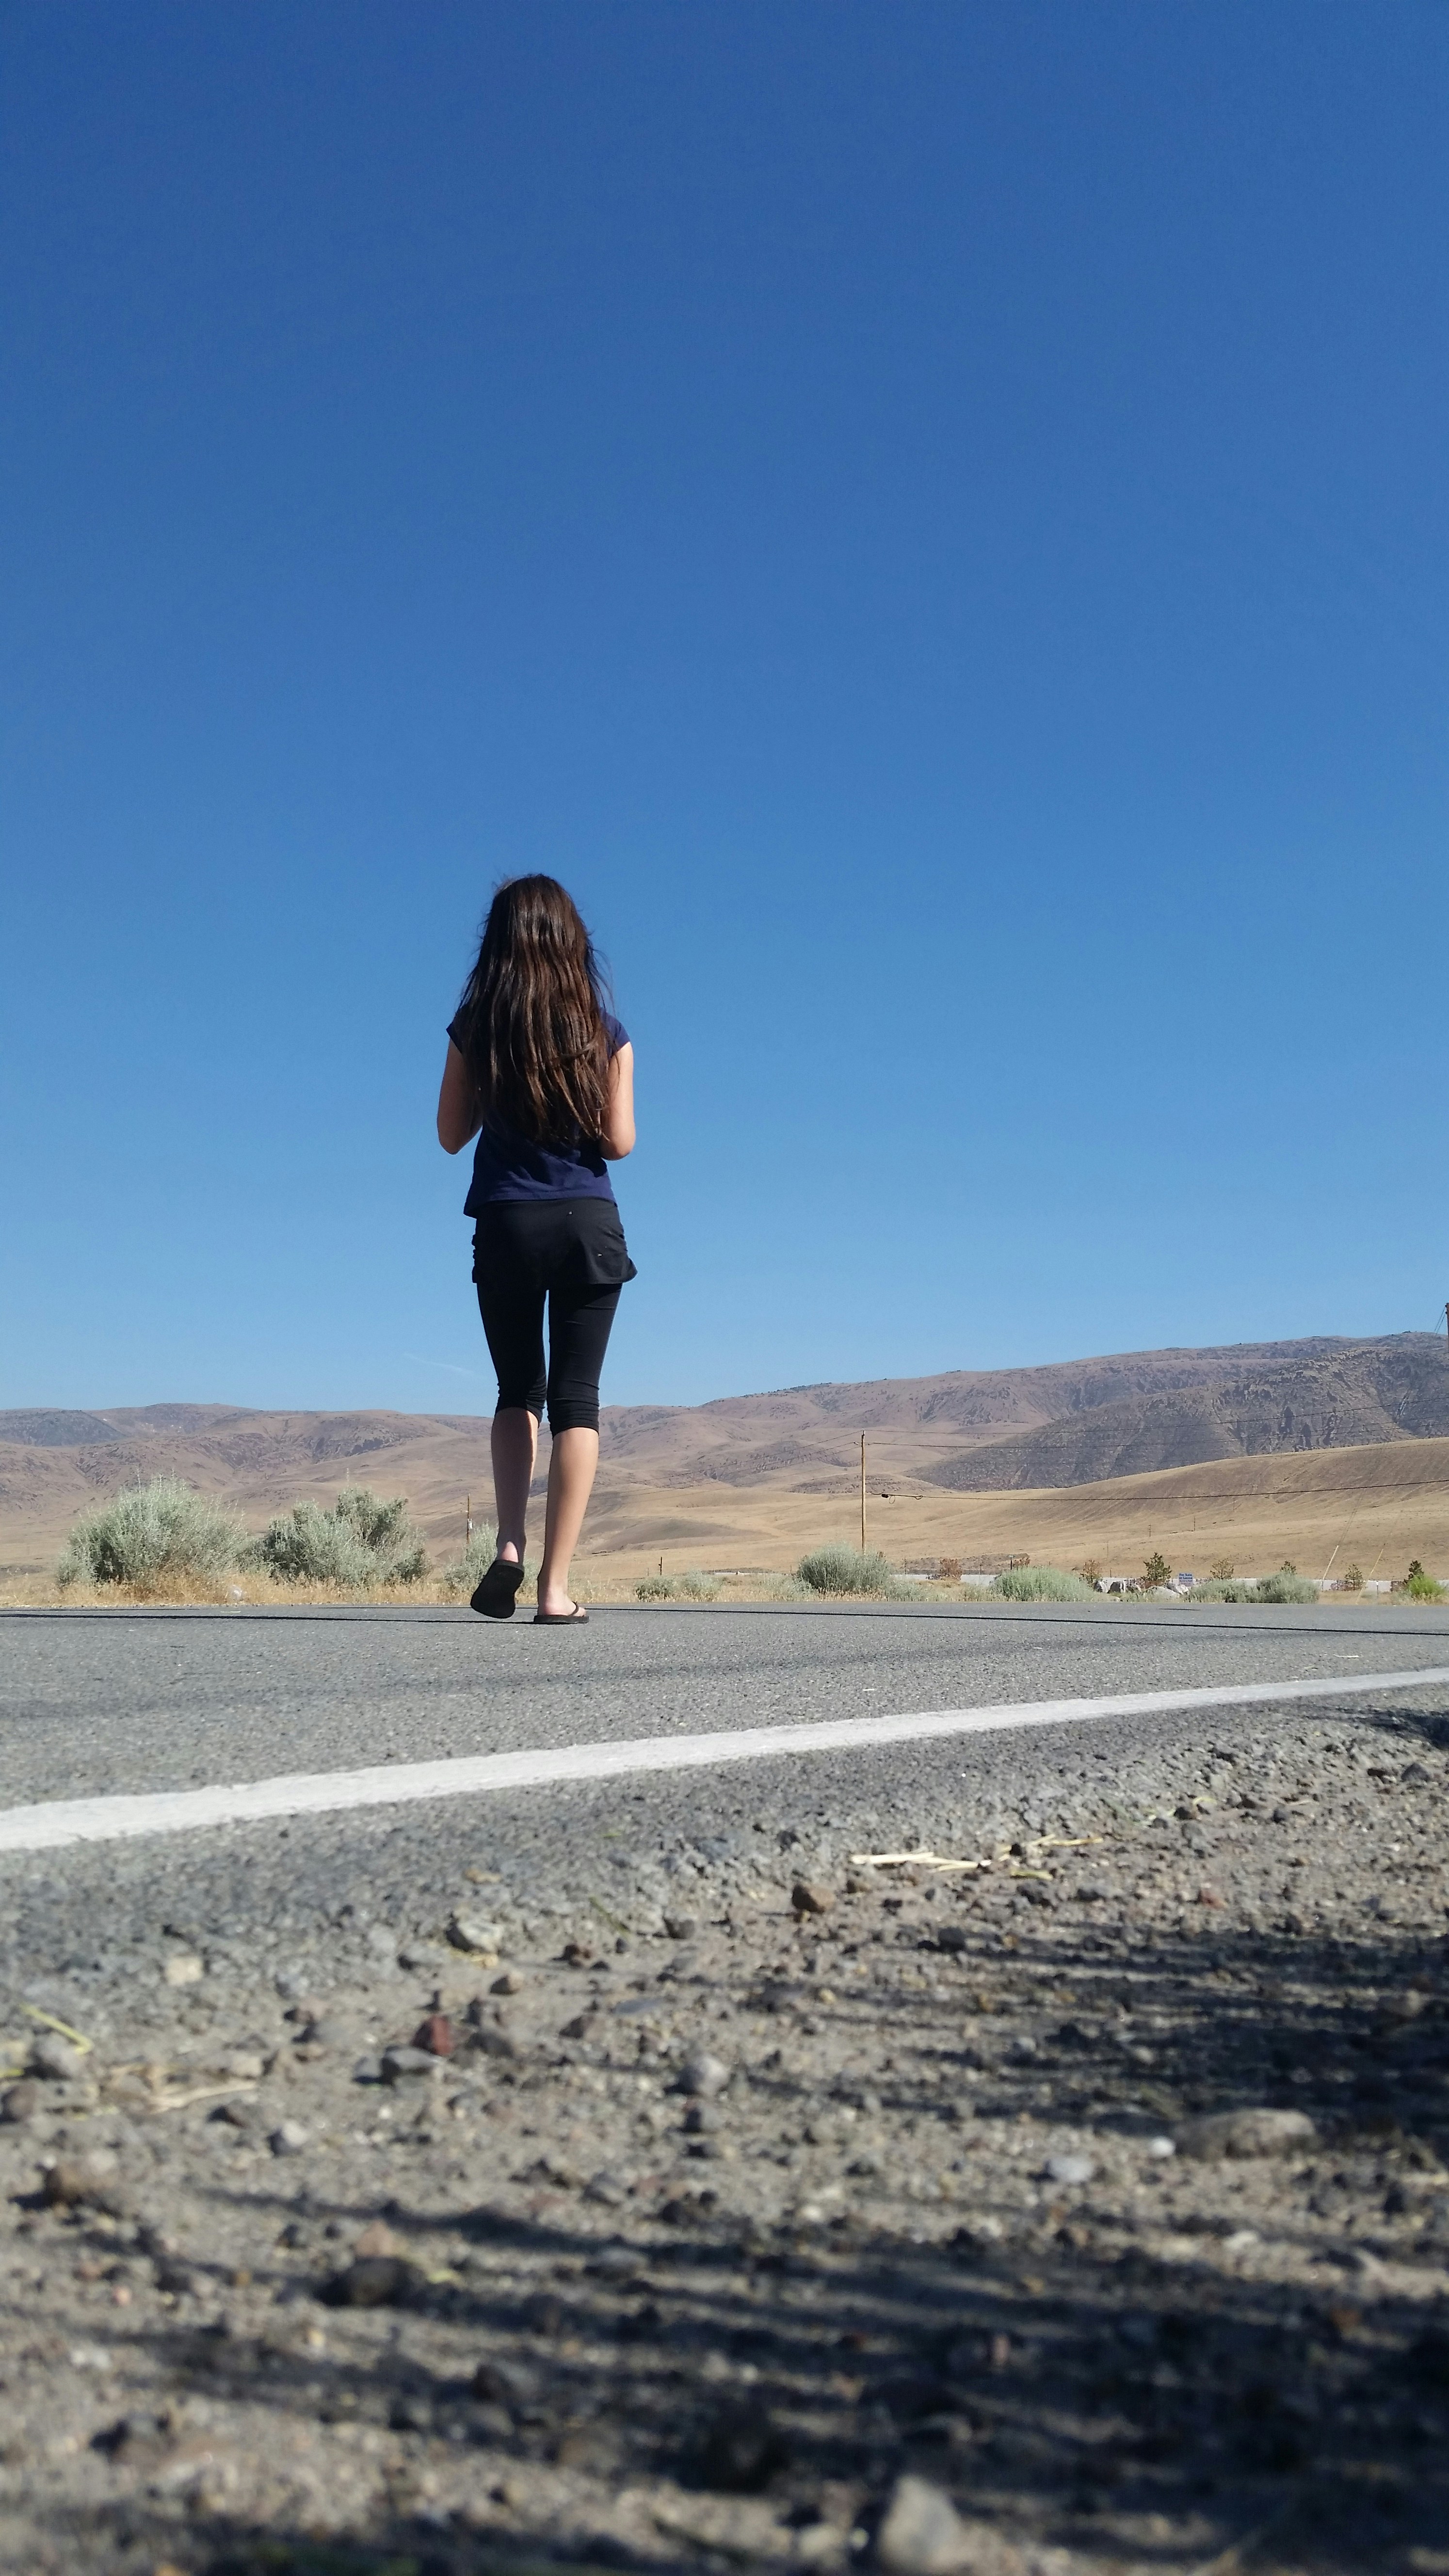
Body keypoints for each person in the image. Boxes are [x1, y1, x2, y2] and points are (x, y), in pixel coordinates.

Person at [437, 875, 636, 1625]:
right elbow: (619, 1142)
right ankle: (556, 1591)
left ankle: (510, 1545)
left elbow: (451, 1135)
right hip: (587, 1222)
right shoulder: (605, 1031)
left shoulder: (477, 1027)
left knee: (517, 1390)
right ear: (573, 941)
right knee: (577, 1402)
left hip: (508, 1224)